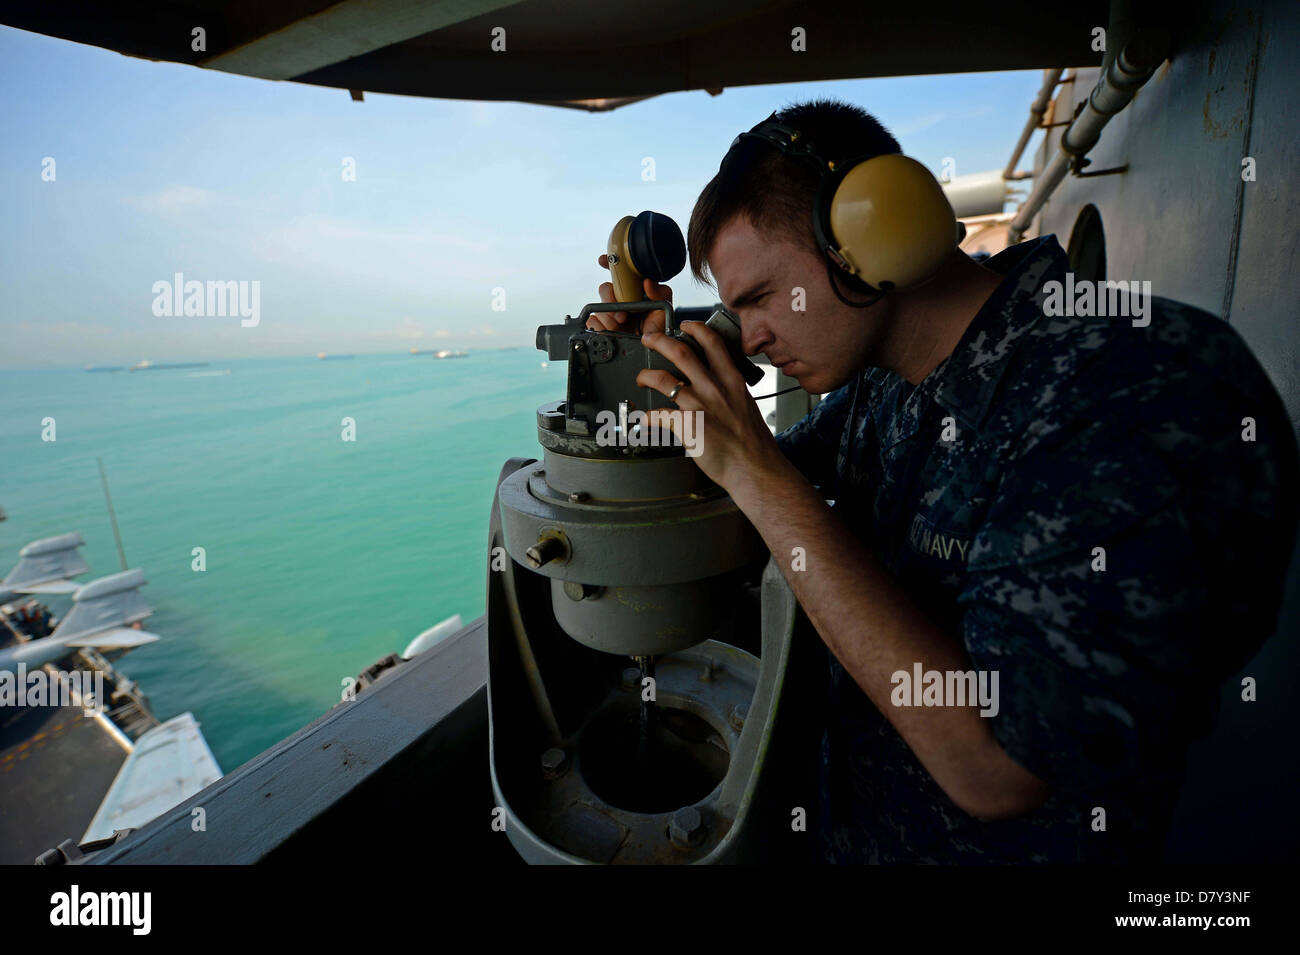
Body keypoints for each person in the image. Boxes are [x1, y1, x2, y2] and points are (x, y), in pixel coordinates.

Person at [586, 98, 1299, 863]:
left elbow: (1000, 767)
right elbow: (764, 472)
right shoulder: (888, 377)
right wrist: (652, 369)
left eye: (760, 298)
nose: (753, 337)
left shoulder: (1134, 389)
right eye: (736, 312)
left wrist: (755, 472)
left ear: (869, 232)